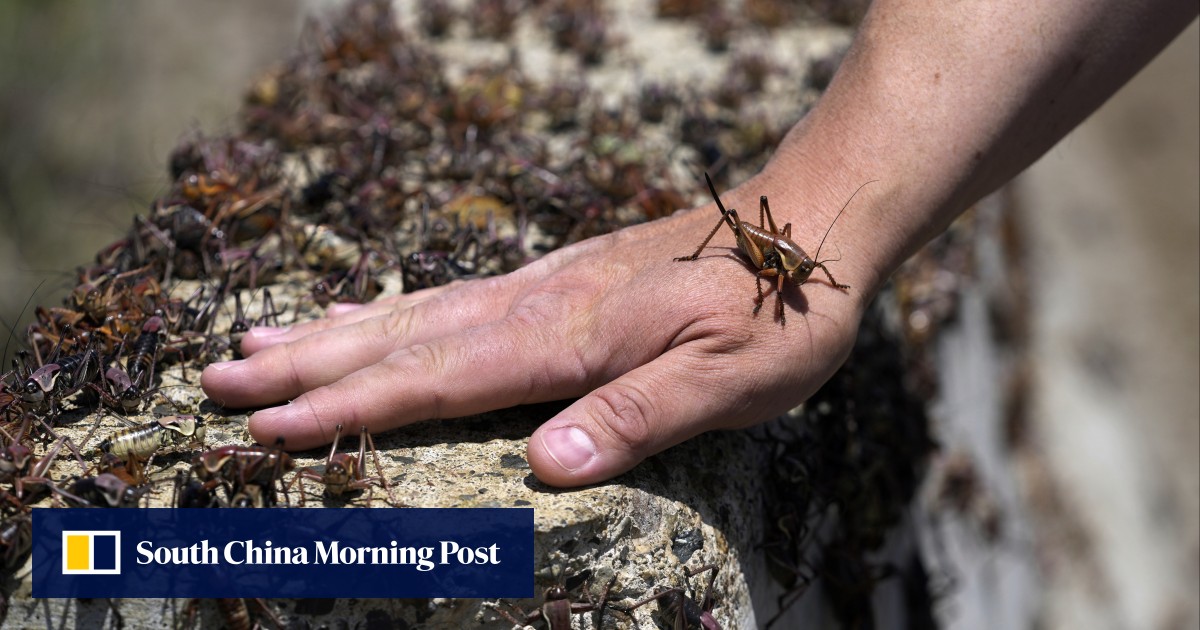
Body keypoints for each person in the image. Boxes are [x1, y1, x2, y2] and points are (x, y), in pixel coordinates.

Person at [201, 0, 1198, 488]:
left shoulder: (787, 272)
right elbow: (766, 249)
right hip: (767, 239)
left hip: (783, 251)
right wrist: (800, 204)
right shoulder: (763, 253)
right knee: (737, 227)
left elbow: (791, 265)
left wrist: (813, 218)